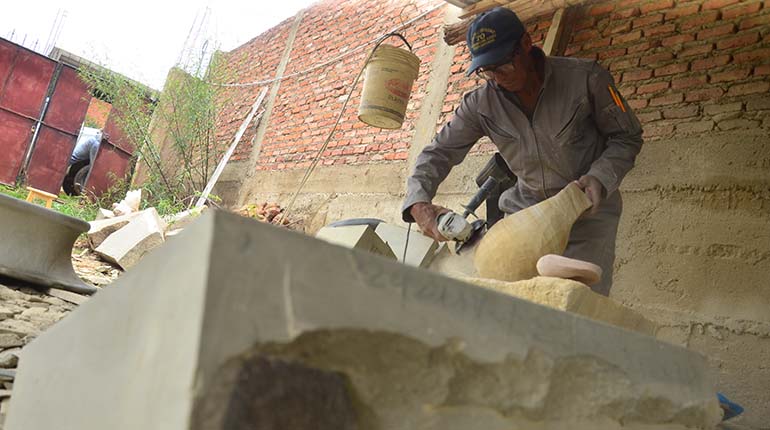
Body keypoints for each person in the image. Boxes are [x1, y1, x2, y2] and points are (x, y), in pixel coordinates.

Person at [402, 7, 644, 296]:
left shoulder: (586, 79)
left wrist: (600, 177)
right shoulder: (481, 104)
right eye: (486, 70)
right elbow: (438, 153)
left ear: (526, 44)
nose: (496, 77)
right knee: (514, 300)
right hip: (525, 214)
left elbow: (626, 137)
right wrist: (418, 203)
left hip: (585, 214)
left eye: (502, 66)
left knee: (576, 304)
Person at [62, 129, 103, 196]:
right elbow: (92, 168)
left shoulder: (92, 139)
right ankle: (86, 194)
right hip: (70, 163)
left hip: (72, 161)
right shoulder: (95, 143)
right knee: (93, 170)